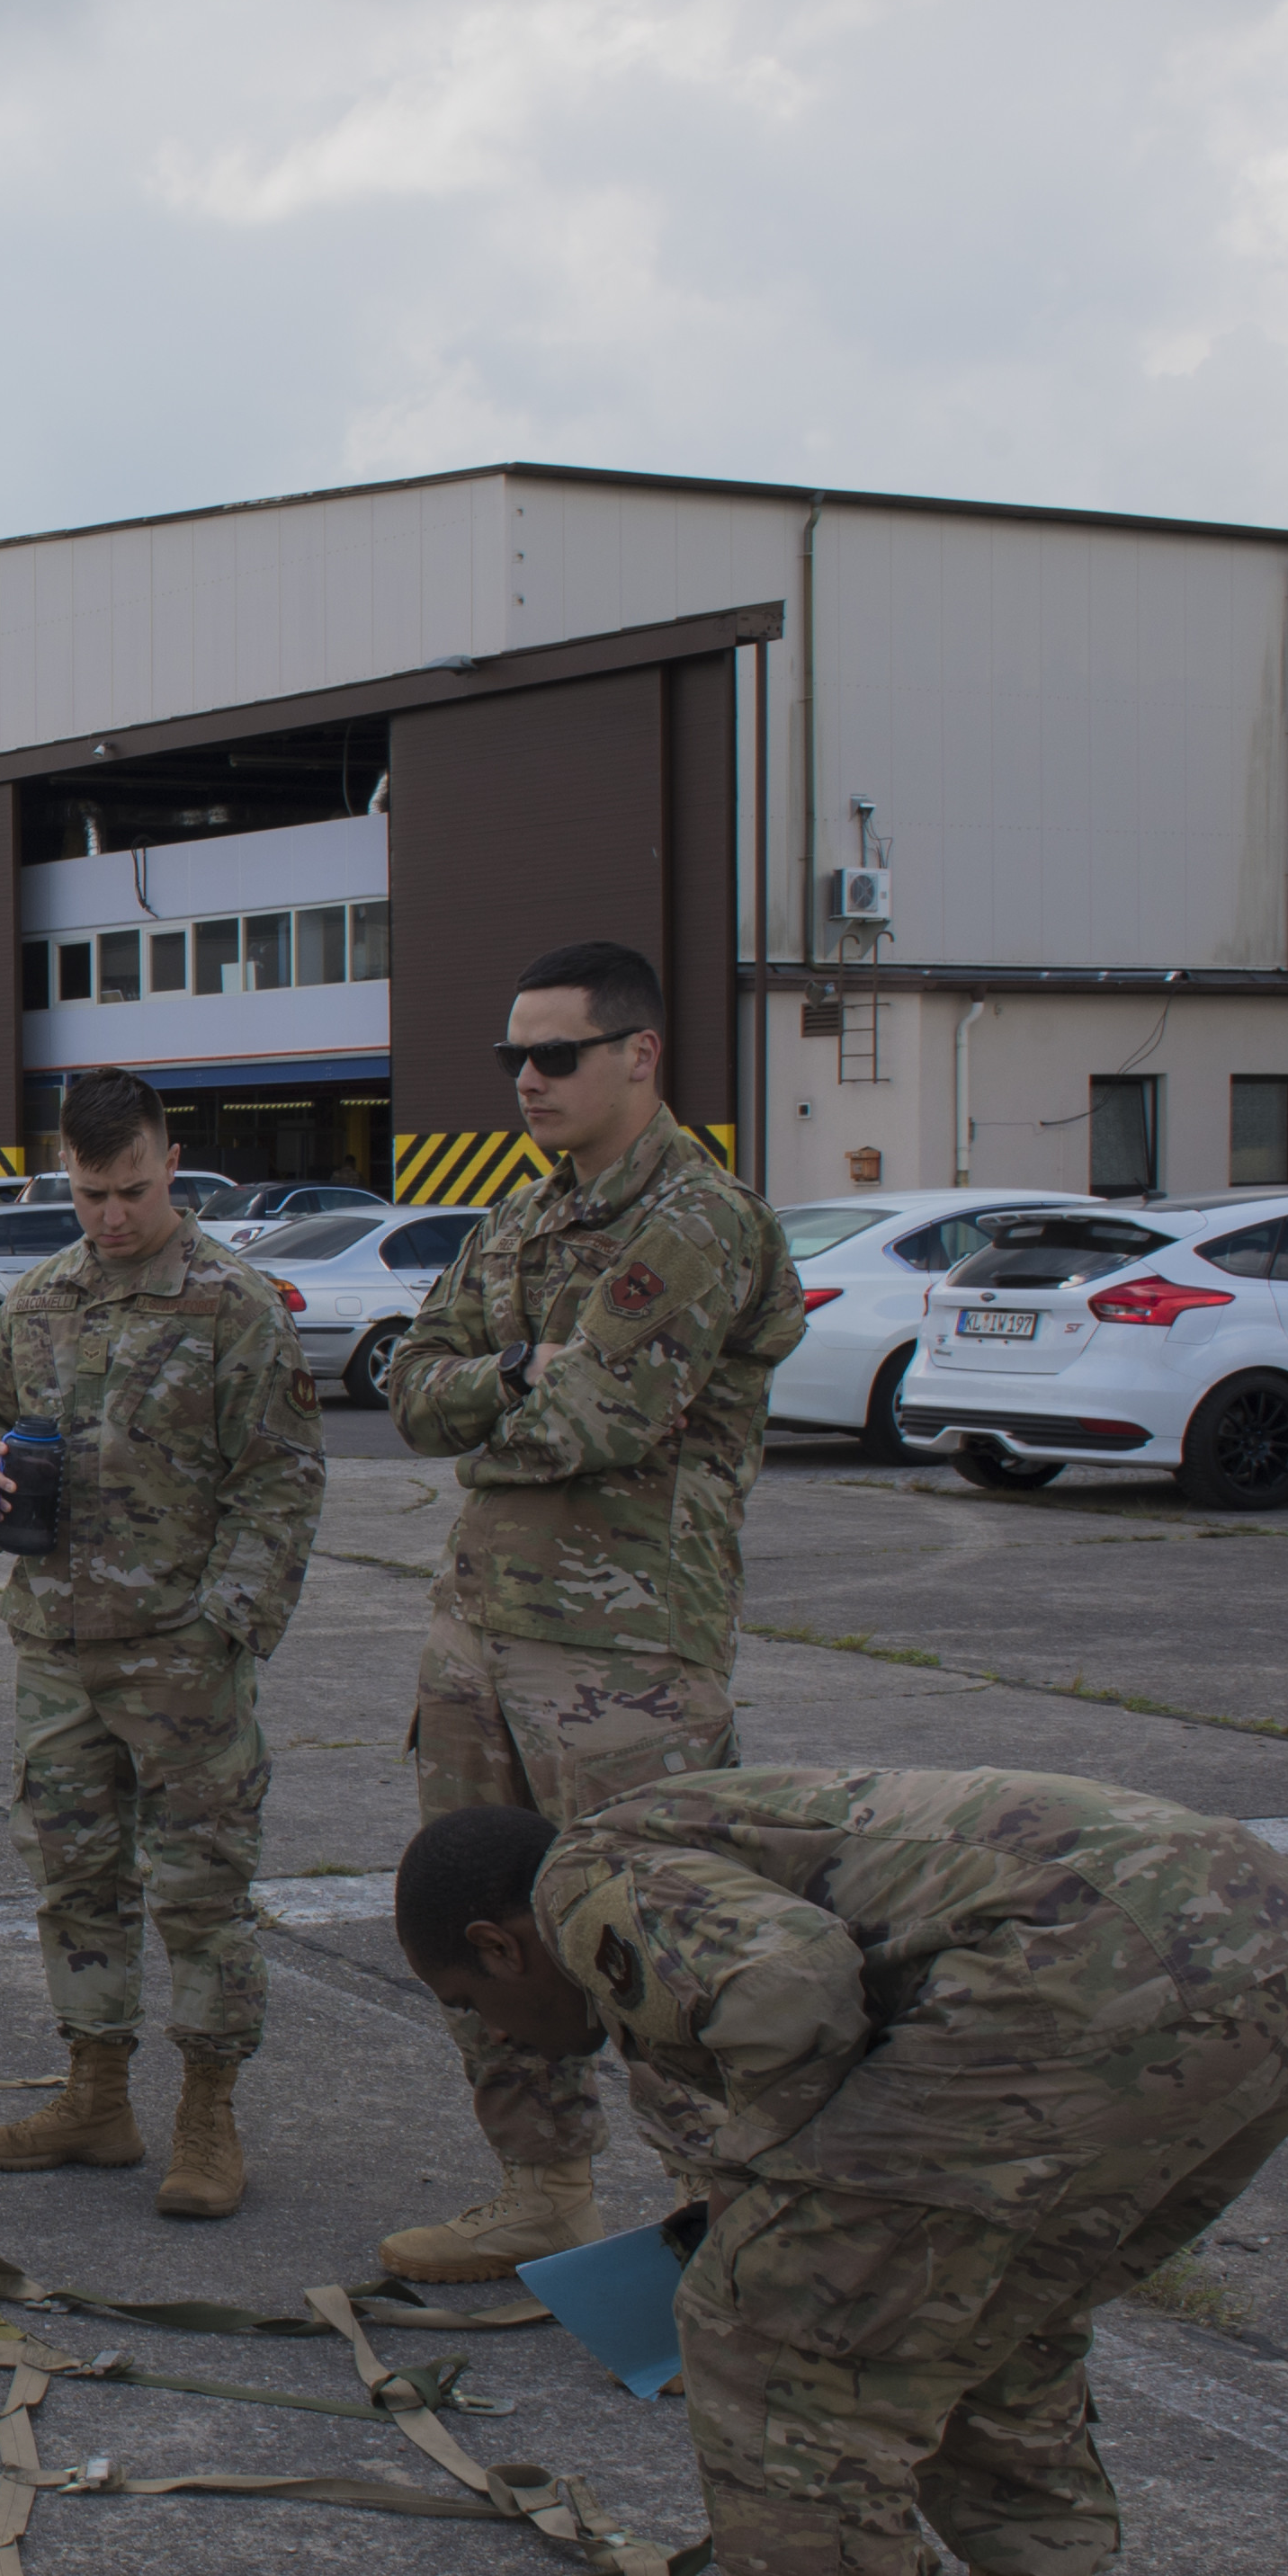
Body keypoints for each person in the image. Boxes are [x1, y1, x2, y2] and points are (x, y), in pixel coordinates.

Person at [394, 1769, 1288, 2576]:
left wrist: (775, 2197)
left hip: (1083, 1979)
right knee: (995, 2322)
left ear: (498, 1942)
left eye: (468, 2000)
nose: (493, 2028)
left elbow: (789, 1988)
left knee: (773, 2338)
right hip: (1279, 1957)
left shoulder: (585, 1884)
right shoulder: (694, 1826)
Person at [377, 938, 810, 2284]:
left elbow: (587, 1423)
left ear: (637, 1054)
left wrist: (496, 1399)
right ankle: (538, 2188)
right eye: (512, 1056)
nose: (525, 1079)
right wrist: (516, 1367)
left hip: (621, 1654)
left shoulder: (696, 1221)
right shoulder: (518, 1220)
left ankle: (727, 2240)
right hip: (481, 1632)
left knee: (658, 1943)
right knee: (488, 1936)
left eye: (553, 1054)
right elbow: (406, 1387)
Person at [0, 1070, 325, 2216]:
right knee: (73, 1879)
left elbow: (283, 1479)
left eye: (130, 1189)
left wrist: (227, 1625)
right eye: (87, 1191)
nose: (110, 1215)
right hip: (56, 1649)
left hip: (180, 1658)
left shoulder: (233, 1302)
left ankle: (205, 2115)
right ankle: (95, 2095)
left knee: (201, 1892)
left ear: (170, 1164)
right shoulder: (41, 1297)